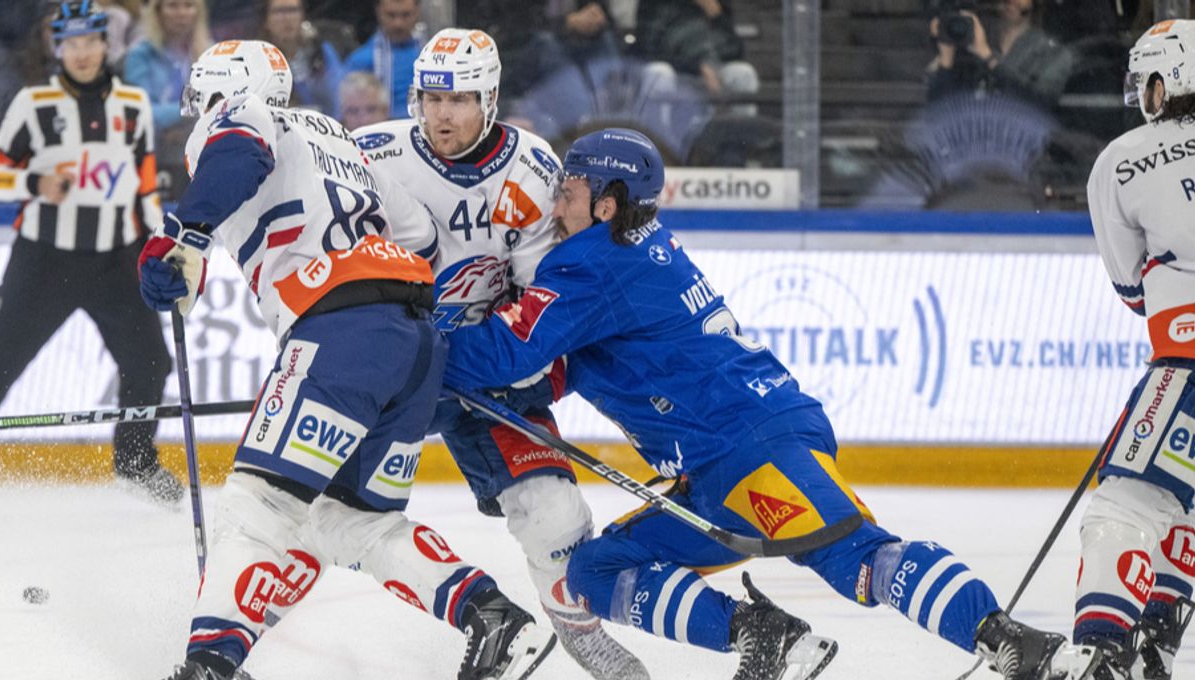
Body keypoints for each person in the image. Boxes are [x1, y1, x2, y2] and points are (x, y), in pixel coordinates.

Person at [441, 127, 1113, 680]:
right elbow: (564, 363)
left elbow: (510, 354)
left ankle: (1019, 644)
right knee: (596, 569)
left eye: (572, 189)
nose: (559, 204)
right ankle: (763, 635)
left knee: (860, 559)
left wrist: (418, 349)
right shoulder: (635, 245)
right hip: (721, 463)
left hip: (750, 451)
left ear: (609, 201)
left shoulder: (589, 261)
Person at [139, 39, 555, 680]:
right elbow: (417, 235)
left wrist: (179, 234)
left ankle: (209, 666)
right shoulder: (335, 135)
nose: (198, 109)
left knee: (259, 508)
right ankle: (491, 615)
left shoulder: (237, 121)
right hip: (417, 341)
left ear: (227, 90)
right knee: (351, 521)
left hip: (339, 332)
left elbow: (237, 154)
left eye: (203, 95)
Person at [351, 27, 650, 680]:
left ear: (489, 98)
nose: (441, 115)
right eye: (430, 98)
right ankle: (479, 610)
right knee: (317, 500)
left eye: (457, 100)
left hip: (487, 369)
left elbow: (544, 299)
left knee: (555, 511)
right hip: (399, 365)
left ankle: (580, 635)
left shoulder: (531, 168)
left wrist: (524, 367)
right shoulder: (371, 153)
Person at [0, 0, 179, 506]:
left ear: (105, 44)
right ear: (58, 47)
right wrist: (32, 181)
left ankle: (136, 461)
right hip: (43, 261)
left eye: (90, 41)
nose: (81, 52)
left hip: (116, 260)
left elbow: (144, 186)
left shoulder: (132, 105)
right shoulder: (34, 105)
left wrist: (161, 246)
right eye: (71, 43)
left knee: (150, 363)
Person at [1074, 19, 1195, 680]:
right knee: (1182, 499)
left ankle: (1105, 650)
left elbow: (1130, 289)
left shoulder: (1124, 158)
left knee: (1128, 503)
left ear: (1167, 77)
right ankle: (1156, 641)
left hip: (1188, 364)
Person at [926, 0, 1074, 111]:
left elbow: (1040, 104)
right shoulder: (968, 43)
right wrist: (946, 57)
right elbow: (940, 112)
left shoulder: (1052, 53)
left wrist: (988, 58)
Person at [124, 0, 212, 133]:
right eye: (172, 5)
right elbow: (140, 111)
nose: (181, 13)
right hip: (155, 144)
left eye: (188, 5)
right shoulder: (140, 55)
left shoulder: (211, 52)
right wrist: (193, 107)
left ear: (198, 12)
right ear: (158, 11)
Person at [259, 0, 343, 114]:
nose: (287, 18)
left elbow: (338, 97)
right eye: (279, 11)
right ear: (265, 20)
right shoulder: (259, 57)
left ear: (302, 15)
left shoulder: (321, 51)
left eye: (293, 10)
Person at [341, 0, 422, 119]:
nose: (398, 24)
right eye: (391, 15)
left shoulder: (430, 57)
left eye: (406, 15)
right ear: (378, 12)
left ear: (417, 12)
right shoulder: (359, 61)